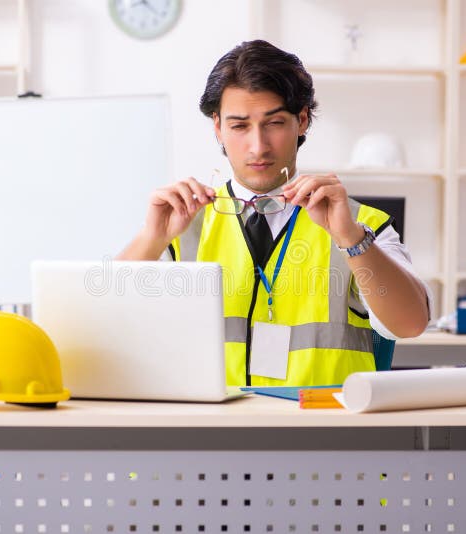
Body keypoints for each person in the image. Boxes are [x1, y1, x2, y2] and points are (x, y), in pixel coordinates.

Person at [118, 40, 431, 386]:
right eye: (239, 126)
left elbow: (411, 324)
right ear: (217, 128)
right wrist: (150, 240)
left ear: (301, 121)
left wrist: (352, 239)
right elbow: (100, 324)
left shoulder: (361, 224)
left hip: (324, 431)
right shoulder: (180, 224)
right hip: (211, 430)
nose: (258, 146)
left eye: (274, 123)